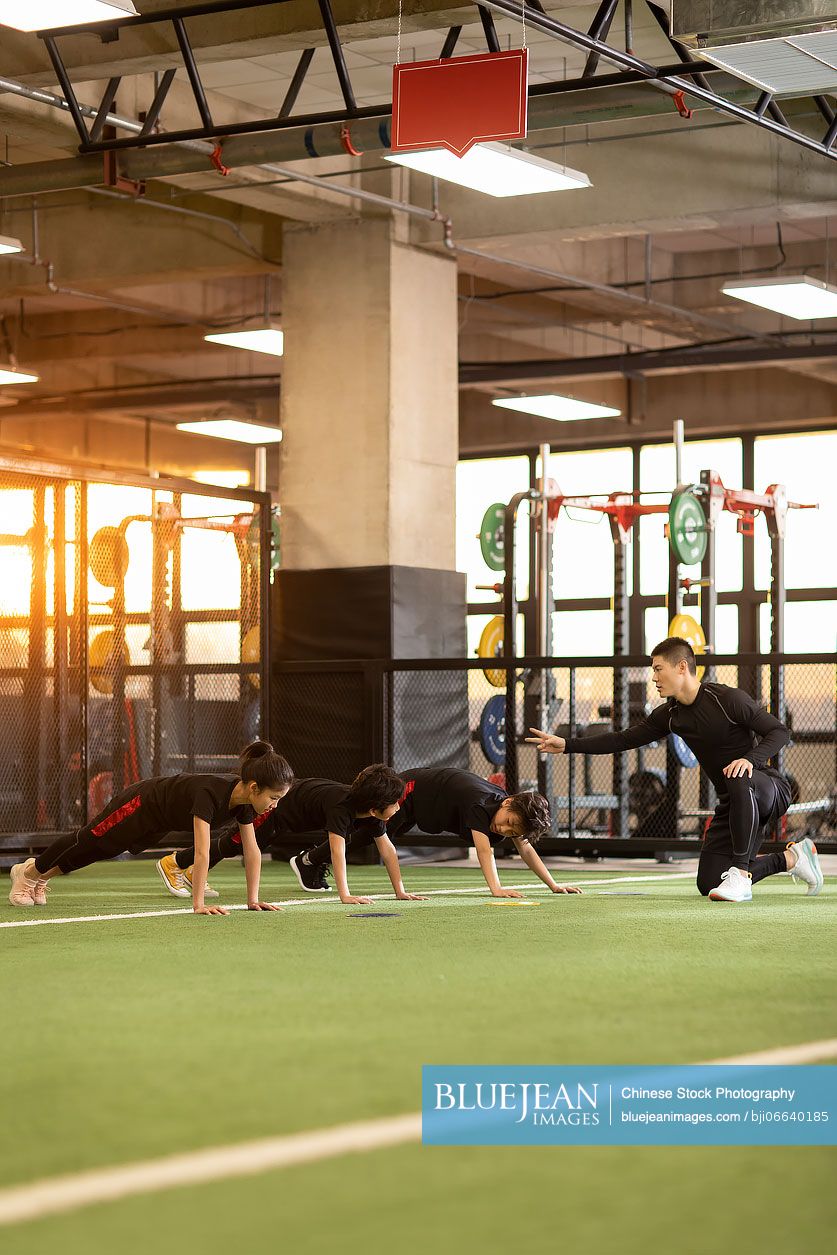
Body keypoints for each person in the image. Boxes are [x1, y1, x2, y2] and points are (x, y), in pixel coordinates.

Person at [527, 637, 823, 904]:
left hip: (767, 788)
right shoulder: (670, 715)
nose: (653, 677)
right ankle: (791, 858)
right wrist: (566, 744)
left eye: (658, 669)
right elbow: (622, 739)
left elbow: (779, 732)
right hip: (734, 800)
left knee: (737, 776)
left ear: (682, 667)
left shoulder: (727, 699)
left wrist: (750, 759)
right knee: (709, 883)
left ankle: (741, 876)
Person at [9, 741, 294, 916]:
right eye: (273, 798)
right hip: (141, 803)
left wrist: (253, 900)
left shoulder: (244, 803)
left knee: (103, 849)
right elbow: (202, 853)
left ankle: (40, 875)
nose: (274, 806)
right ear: (255, 787)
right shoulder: (212, 792)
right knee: (90, 838)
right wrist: (197, 905)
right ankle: (29, 873)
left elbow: (252, 850)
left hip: (158, 822)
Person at [158, 764, 427, 907]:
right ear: (374, 807)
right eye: (396, 802)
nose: (399, 806)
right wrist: (345, 895)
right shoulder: (341, 806)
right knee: (233, 843)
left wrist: (400, 891)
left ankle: (190, 870)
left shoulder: (373, 816)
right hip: (276, 811)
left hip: (288, 821)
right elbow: (337, 851)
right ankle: (176, 863)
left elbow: (388, 850)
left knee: (232, 844)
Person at [387, 767, 582, 898]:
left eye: (512, 831)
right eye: (508, 822)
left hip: (423, 805)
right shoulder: (481, 805)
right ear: (507, 802)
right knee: (370, 833)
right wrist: (496, 889)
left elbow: (527, 850)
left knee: (375, 834)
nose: (504, 829)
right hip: (409, 788)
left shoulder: (510, 812)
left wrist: (554, 885)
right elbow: (483, 851)